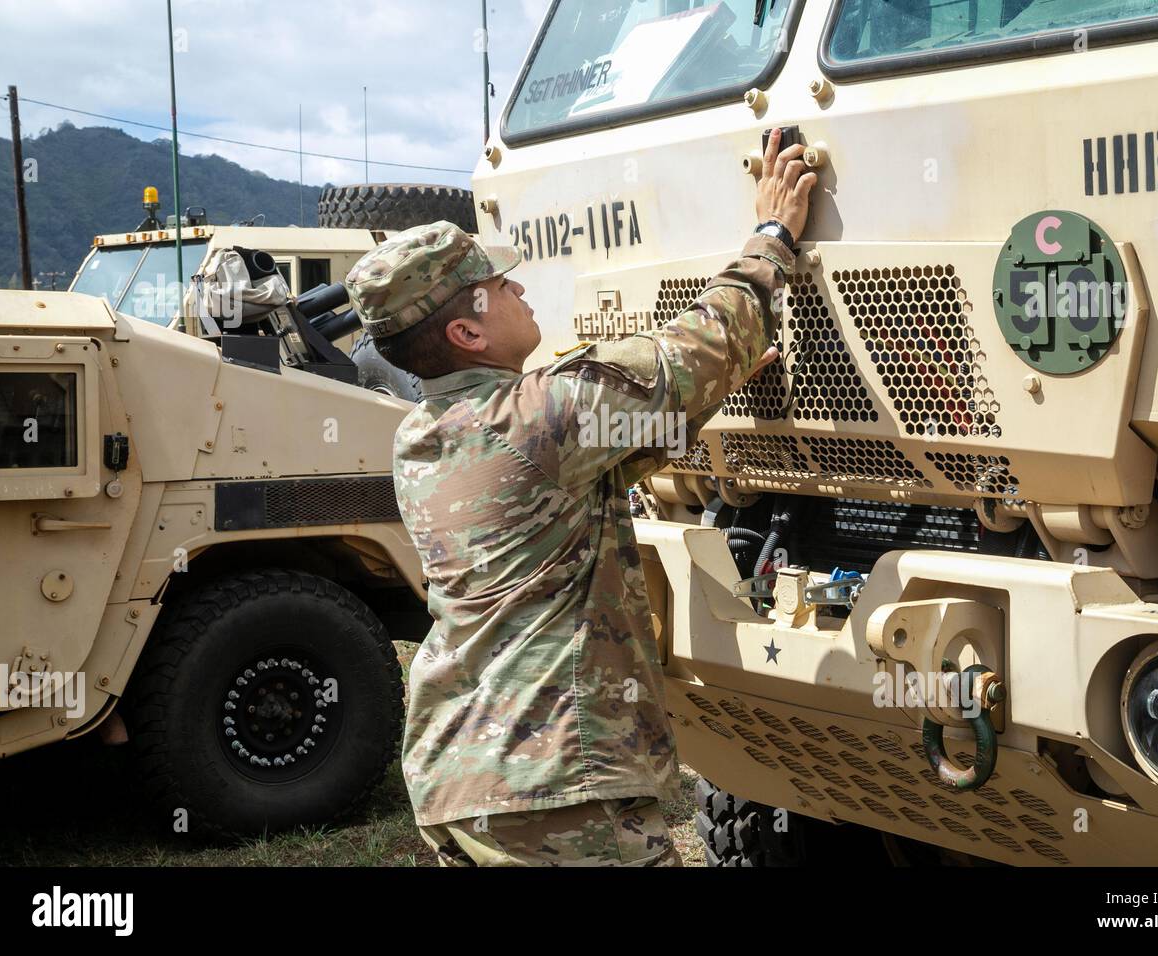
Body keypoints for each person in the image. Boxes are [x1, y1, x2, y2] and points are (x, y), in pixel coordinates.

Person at [343, 130, 816, 866]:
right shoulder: (544, 414)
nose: (521, 289)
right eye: (500, 287)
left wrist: (704, 388)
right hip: (559, 788)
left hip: (462, 779)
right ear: (467, 330)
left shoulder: (424, 439)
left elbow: (592, 462)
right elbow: (697, 348)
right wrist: (772, 235)